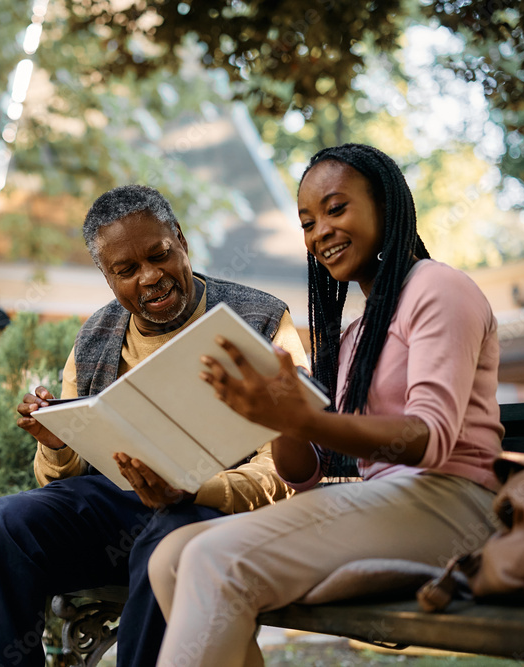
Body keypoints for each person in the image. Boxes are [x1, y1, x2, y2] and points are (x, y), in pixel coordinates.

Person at [147, 143, 504, 667]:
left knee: (211, 558)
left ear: (386, 204)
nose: (320, 233)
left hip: (455, 505)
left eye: (336, 209)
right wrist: (278, 421)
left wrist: (305, 417)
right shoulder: (358, 332)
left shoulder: (438, 288)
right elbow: (304, 474)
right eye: (308, 223)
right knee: (171, 557)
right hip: (392, 503)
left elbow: (430, 439)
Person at [0, 184, 309, 667]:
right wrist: (58, 445)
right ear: (107, 278)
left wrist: (195, 490)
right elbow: (58, 483)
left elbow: (284, 470)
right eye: (126, 271)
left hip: (212, 512)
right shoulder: (94, 336)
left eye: (159, 255)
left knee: (165, 539)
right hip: (119, 512)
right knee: (5, 522)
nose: (150, 277)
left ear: (182, 241)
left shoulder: (260, 320)